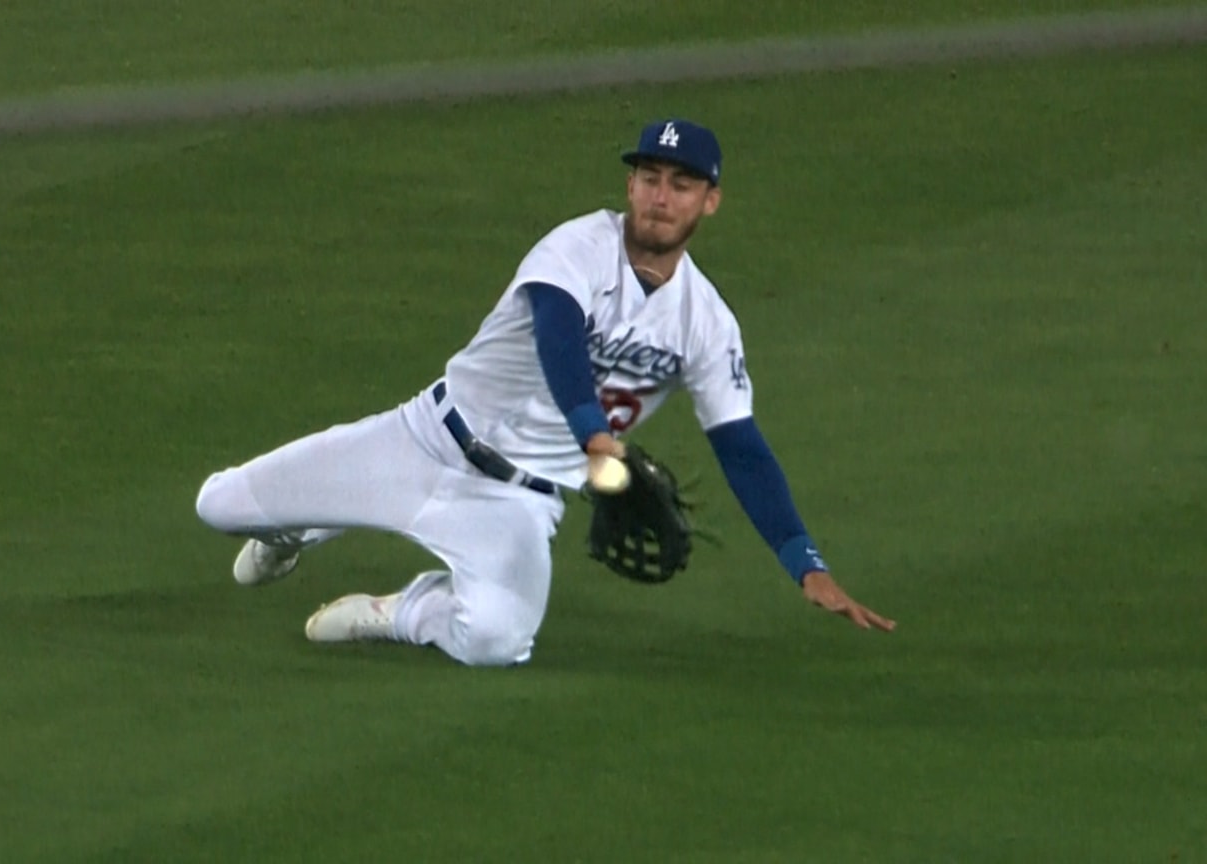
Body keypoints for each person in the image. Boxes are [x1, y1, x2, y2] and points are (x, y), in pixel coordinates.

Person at [195, 118, 895, 667]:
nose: (659, 195)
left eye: (681, 184)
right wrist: (592, 429)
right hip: (424, 439)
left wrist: (805, 565)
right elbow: (557, 334)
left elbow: (741, 446)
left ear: (709, 201)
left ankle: (402, 613)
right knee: (218, 505)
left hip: (515, 502)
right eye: (649, 176)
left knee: (498, 643)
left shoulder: (707, 323)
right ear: (630, 187)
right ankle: (294, 529)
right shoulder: (577, 246)